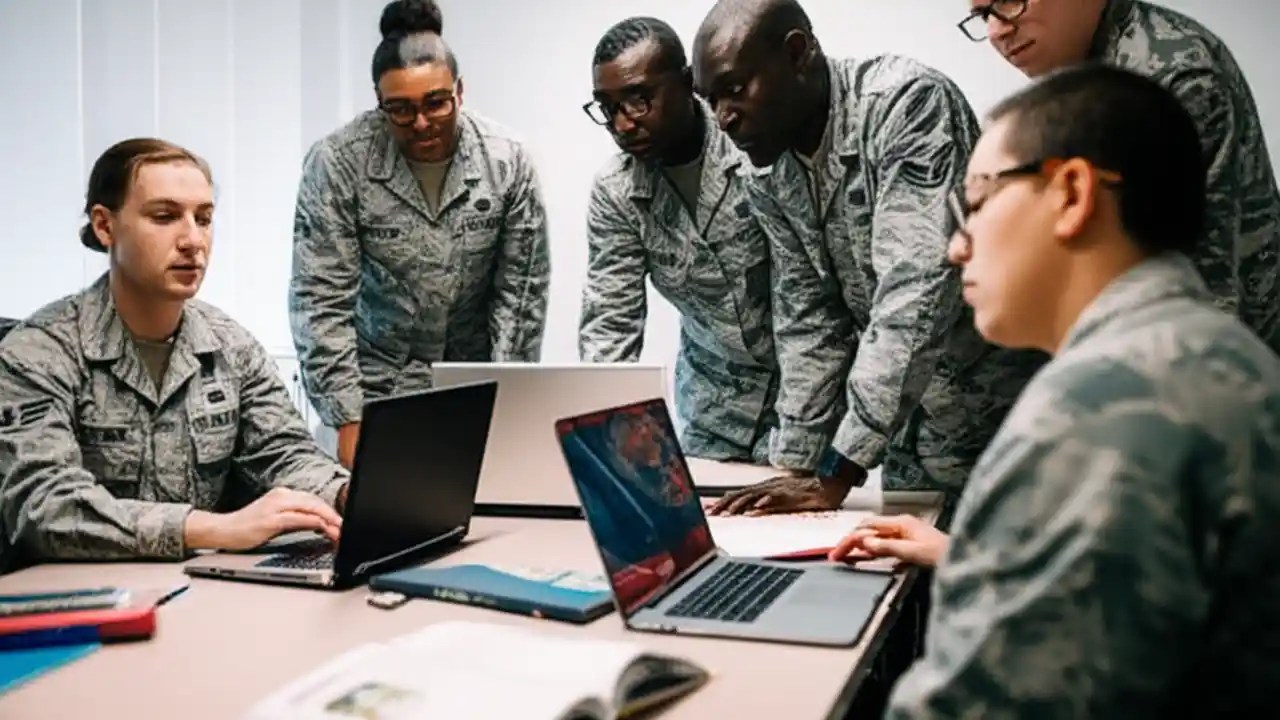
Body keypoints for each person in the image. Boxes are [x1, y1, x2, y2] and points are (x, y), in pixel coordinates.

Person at [841, 64, 1280, 717]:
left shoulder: (1102, 407)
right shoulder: (1214, 354)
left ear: (1072, 193)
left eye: (976, 203)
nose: (957, 247)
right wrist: (980, 556)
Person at [693, 0, 1044, 515]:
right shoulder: (765, 168)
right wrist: (798, 468)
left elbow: (916, 293)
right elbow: (808, 322)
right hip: (908, 438)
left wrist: (838, 470)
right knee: (903, 586)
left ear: (797, 54)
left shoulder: (905, 105)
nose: (723, 118)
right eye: (710, 99)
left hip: (998, 426)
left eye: (735, 89)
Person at [0, 138, 349, 574]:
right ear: (105, 226)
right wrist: (217, 529)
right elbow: (44, 505)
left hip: (196, 593)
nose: (192, 241)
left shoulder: (229, 345)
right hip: (69, 601)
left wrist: (344, 494)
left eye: (203, 219)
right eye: (165, 217)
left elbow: (281, 453)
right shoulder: (38, 352)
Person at [290, 0, 551, 469]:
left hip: (468, 390)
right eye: (401, 110)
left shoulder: (506, 162)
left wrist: (508, 406)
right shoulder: (338, 163)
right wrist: (347, 421)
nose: (423, 123)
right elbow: (320, 301)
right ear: (379, 102)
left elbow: (520, 301)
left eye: (436, 102)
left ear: (460, 91)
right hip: (371, 390)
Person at [959, 0, 1280, 352]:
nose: (996, 30)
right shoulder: (1085, 70)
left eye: (1009, 1)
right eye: (983, 15)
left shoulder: (1168, 75)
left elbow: (1201, 290)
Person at [579, 16, 778, 463]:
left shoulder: (753, 145)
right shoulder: (618, 190)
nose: (623, 124)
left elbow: (815, 297)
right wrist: (604, 445)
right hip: (714, 412)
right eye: (607, 108)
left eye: (638, 100)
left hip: (803, 401)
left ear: (688, 83)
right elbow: (610, 324)